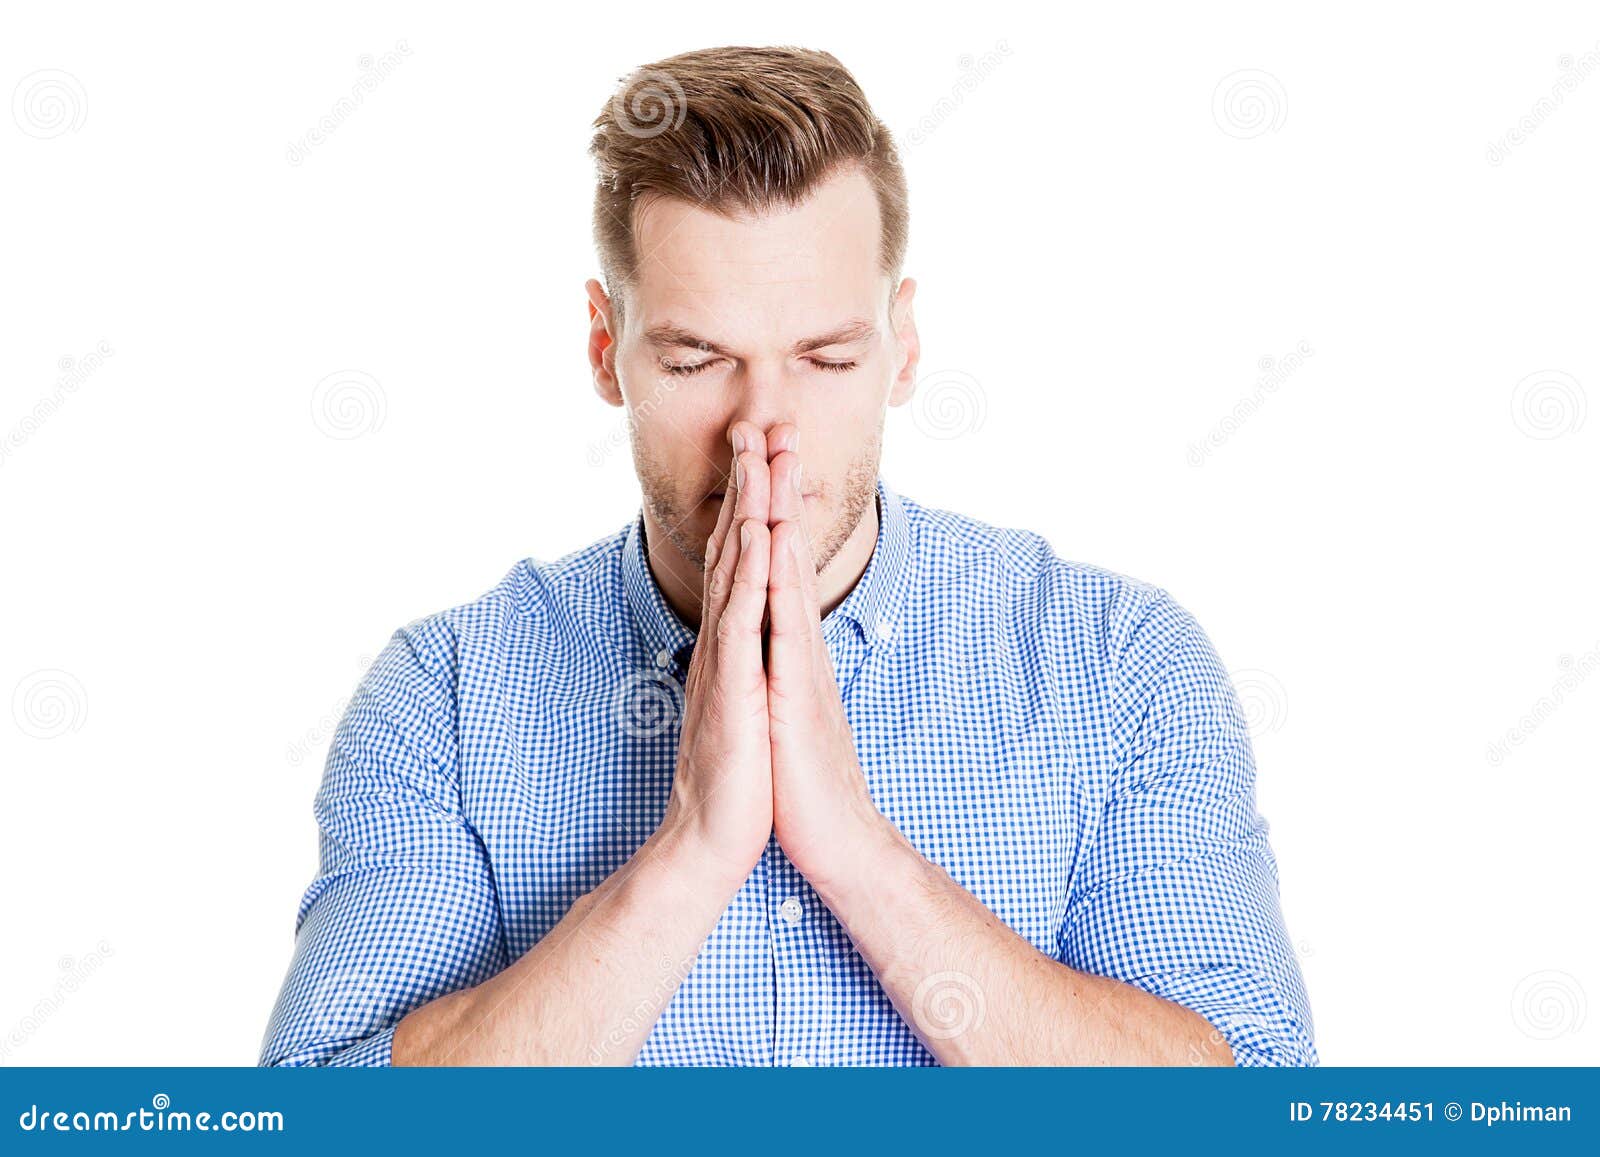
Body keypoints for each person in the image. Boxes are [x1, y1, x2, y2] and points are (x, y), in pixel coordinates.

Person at [259, 44, 1317, 1067]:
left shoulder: (1120, 665)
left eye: (825, 356)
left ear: (901, 346)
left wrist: (853, 848)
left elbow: (1261, 1110)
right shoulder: (443, 694)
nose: (763, 427)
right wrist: (691, 856)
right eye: (695, 357)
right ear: (603, 347)